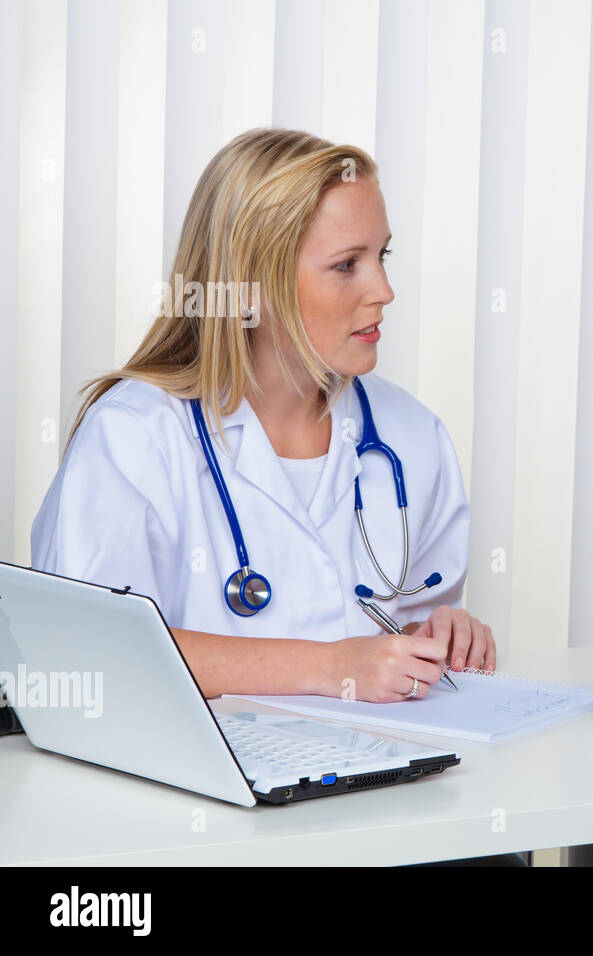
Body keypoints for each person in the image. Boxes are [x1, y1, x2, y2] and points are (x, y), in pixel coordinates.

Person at [31, 128, 495, 704]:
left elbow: (400, 639)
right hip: (181, 784)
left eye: (383, 256)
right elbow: (89, 654)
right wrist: (330, 668)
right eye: (347, 264)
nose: (384, 290)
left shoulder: (411, 437)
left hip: (375, 776)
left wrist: (437, 641)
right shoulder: (134, 438)